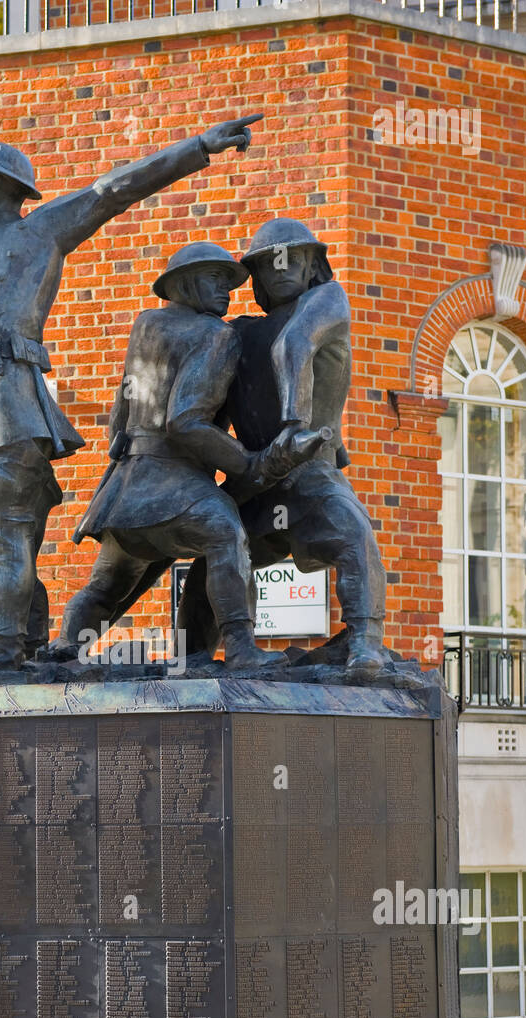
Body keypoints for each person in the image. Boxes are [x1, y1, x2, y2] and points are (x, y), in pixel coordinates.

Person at [0, 90, 263, 678]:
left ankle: (1, 654)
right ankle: (24, 646)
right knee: (7, 540)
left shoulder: (39, 232)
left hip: (3, 413)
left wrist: (197, 148)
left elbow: (115, 189)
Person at [45, 243, 295, 671]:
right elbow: (187, 420)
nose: (227, 290)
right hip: (177, 485)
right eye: (215, 279)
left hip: (126, 487)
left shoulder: (146, 325)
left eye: (228, 281)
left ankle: (65, 647)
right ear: (184, 283)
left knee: (106, 588)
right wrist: (248, 463)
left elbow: (117, 424)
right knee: (225, 535)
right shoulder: (216, 335)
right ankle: (240, 646)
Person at [177, 217, 388, 680]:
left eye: (294, 257)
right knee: (216, 560)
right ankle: (191, 656)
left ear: (314, 263)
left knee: (352, 533)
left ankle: (366, 642)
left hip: (307, 465)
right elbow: (206, 409)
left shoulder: (326, 299)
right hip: (257, 476)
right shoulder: (241, 332)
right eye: (269, 264)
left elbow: (295, 344)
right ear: (255, 278)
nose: (281, 267)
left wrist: (294, 425)